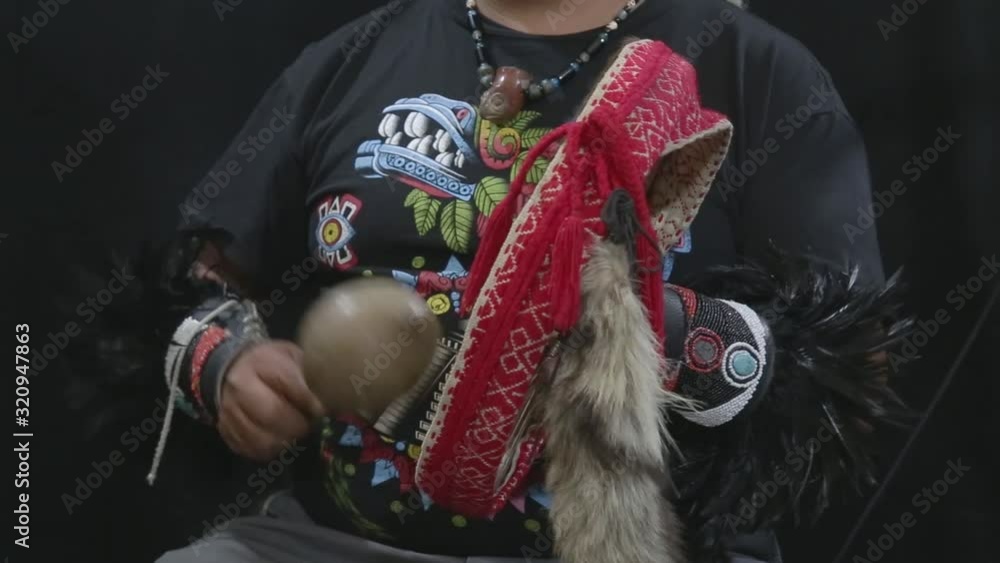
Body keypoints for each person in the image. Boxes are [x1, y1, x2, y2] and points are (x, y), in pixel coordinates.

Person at [146, 0, 890, 561]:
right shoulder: (351, 58)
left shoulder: (753, 70)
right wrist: (225, 361)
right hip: (335, 541)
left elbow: (851, 370)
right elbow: (192, 276)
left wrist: (627, 326)